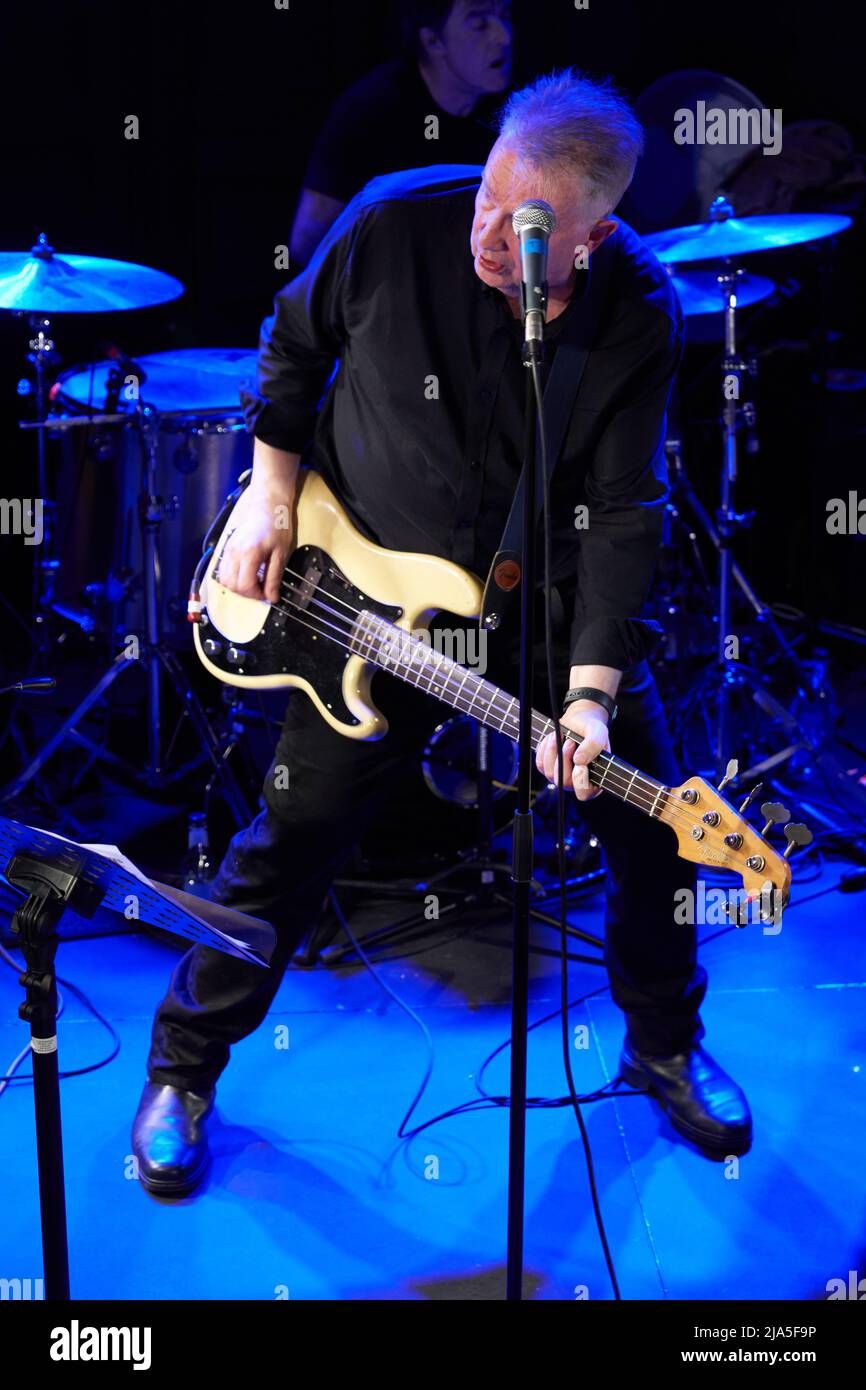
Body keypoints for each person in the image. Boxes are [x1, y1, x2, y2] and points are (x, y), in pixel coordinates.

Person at [133, 69, 752, 1198]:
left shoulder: (638, 313)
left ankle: (661, 1041)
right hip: (364, 582)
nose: (482, 229)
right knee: (290, 839)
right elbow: (287, 342)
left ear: (590, 232)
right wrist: (271, 498)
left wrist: (589, 693)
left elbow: (623, 511)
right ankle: (181, 1066)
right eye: (485, 196)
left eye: (515, 224)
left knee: (653, 832)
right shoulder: (391, 221)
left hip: (542, 608)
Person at [290, 0, 512, 267]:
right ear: (432, 41)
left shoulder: (515, 112)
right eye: (479, 24)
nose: (504, 36)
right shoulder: (371, 112)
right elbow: (307, 243)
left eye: (505, 16)